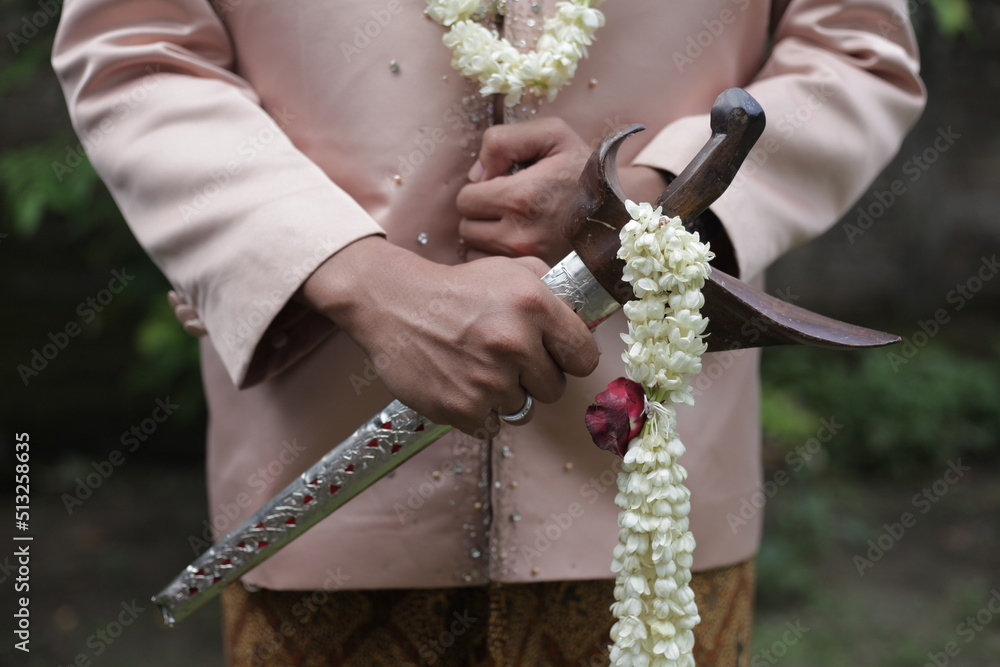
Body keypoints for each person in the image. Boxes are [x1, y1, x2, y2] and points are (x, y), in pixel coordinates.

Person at [53, 0, 924, 664]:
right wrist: (356, 275)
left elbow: (854, 49)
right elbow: (138, 53)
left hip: (653, 505)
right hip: (321, 480)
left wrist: (644, 204)